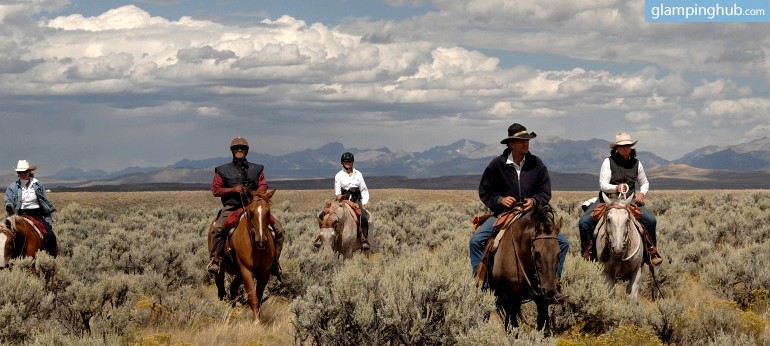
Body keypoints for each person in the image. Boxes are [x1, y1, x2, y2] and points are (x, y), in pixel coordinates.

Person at [469, 123, 569, 302]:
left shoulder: (536, 164)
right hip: (505, 214)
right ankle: (482, 287)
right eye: (521, 141)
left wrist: (534, 201)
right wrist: (501, 200)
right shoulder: (497, 165)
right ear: (511, 144)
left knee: (562, 243)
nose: (526, 144)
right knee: (476, 241)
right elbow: (485, 192)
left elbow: (545, 191)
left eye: (527, 140)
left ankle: (554, 283)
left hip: (533, 215)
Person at [207, 136, 286, 281]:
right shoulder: (223, 170)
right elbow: (215, 190)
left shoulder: (257, 169)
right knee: (218, 228)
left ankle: (274, 262)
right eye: (236, 148)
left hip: (254, 207)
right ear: (232, 151)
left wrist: (256, 193)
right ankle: (216, 260)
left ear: (246, 151)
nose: (239, 150)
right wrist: (232, 190)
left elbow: (263, 185)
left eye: (242, 148)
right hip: (232, 207)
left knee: (279, 230)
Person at [578, 132, 663, 266]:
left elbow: (644, 182)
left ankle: (651, 253)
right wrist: (616, 188)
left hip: (630, 201)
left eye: (628, 145)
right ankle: (587, 254)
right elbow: (603, 184)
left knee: (651, 220)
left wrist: (642, 193)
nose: (626, 148)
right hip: (607, 200)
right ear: (616, 148)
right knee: (584, 222)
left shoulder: (637, 164)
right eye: (623, 146)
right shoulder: (608, 162)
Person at [315, 152, 371, 250]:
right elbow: (337, 190)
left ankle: (363, 239)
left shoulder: (358, 175)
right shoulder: (338, 175)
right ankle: (322, 237)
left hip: (355, 200)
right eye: (345, 161)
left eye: (349, 161)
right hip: (342, 200)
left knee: (363, 216)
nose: (347, 163)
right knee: (322, 214)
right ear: (342, 163)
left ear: (352, 162)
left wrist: (365, 202)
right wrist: (338, 195)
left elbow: (364, 190)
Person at [4, 160, 57, 257]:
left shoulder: (38, 185)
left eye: (25, 171)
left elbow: (45, 201)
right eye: (20, 172)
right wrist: (9, 205)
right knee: (6, 236)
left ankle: (52, 260)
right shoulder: (12, 187)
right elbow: (8, 200)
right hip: (19, 214)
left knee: (51, 236)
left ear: (29, 171)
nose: (22, 174)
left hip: (36, 214)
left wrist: (48, 218)